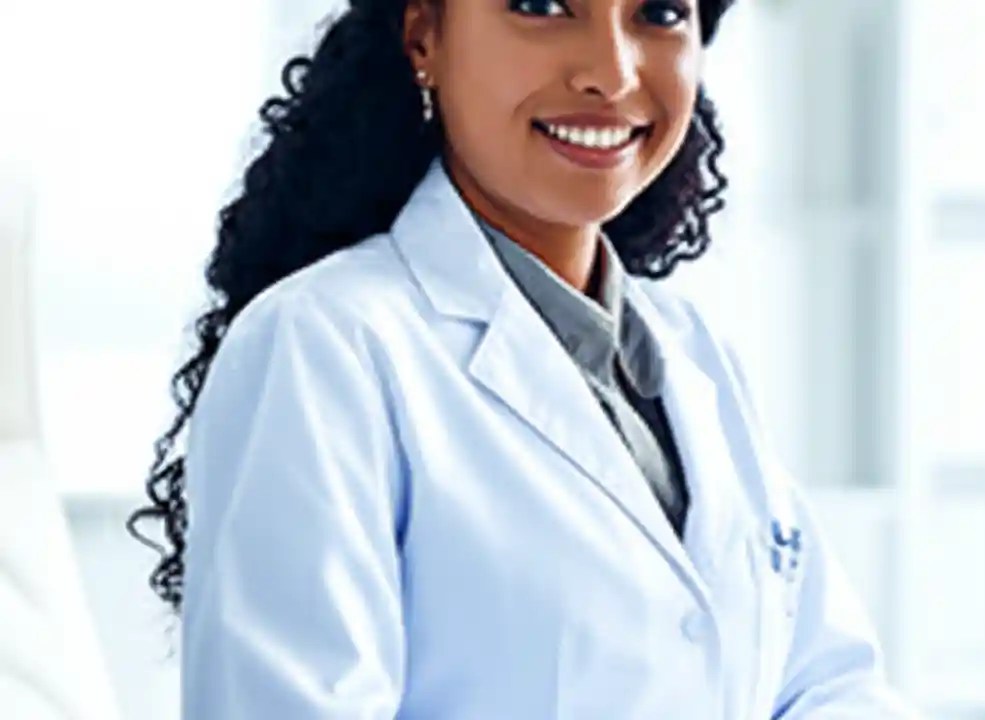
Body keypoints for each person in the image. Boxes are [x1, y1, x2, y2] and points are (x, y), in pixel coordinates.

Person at [127, 0, 914, 716]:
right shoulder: (323, 345)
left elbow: (830, 683)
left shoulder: (695, 356)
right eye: (541, 6)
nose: (611, 71)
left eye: (660, 14)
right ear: (423, 36)